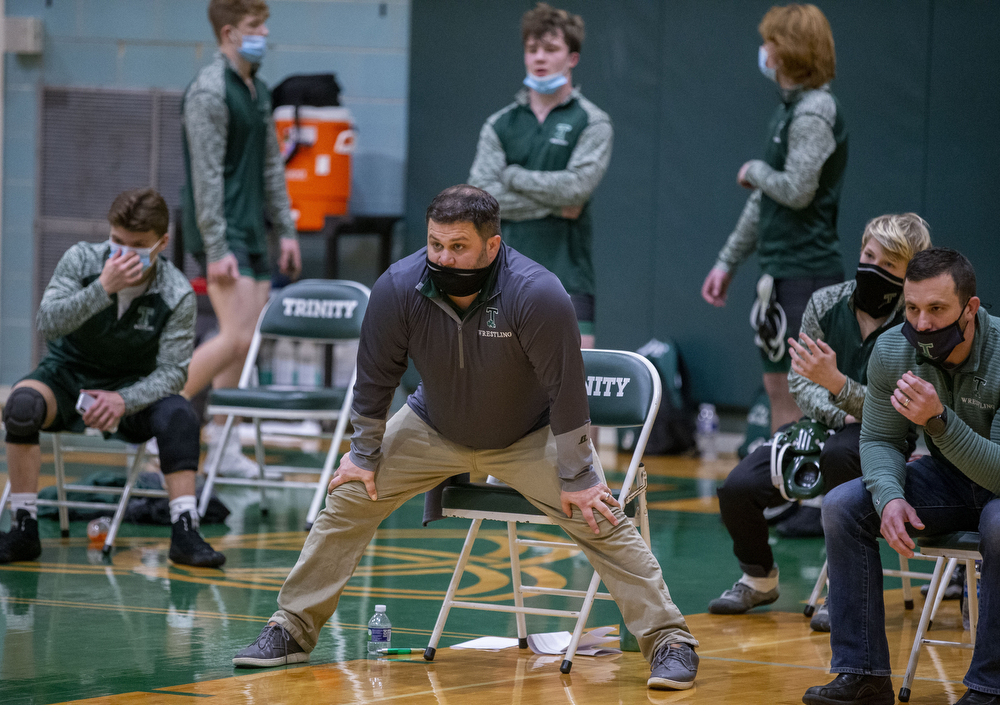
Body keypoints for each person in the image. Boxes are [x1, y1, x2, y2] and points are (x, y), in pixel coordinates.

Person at [232, 185, 699, 690]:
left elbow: (567, 391)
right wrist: (363, 456)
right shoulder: (398, 288)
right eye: (436, 244)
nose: (443, 257)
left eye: (458, 247)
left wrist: (580, 476)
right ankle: (291, 628)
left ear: (492, 246)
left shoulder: (536, 293)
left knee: (599, 514)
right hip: (433, 426)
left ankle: (669, 640)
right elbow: (373, 381)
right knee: (348, 495)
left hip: (526, 434)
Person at [710, 214, 930, 628]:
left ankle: (845, 591)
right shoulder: (826, 302)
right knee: (737, 489)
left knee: (839, 455)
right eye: (869, 256)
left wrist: (838, 384)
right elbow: (800, 379)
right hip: (822, 425)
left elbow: (897, 408)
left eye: (888, 266)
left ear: (908, 274)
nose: (872, 269)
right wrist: (840, 408)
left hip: (886, 440)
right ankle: (758, 577)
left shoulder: (914, 325)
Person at [803, 248, 999, 705]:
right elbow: (879, 441)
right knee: (843, 506)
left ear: (970, 309)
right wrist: (889, 497)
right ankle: (863, 675)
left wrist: (938, 422)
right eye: (912, 309)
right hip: (950, 479)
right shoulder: (895, 350)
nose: (923, 324)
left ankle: (990, 686)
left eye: (937, 309)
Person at [0, 189, 224, 568]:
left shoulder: (176, 291)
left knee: (181, 414)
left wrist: (124, 400)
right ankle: (23, 527)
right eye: (117, 241)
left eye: (137, 246)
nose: (123, 252)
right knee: (21, 406)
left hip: (132, 387)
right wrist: (102, 289)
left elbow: (173, 372)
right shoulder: (81, 260)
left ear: (162, 243)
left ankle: (185, 530)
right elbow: (47, 324)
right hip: (67, 376)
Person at [701, 3, 847, 432]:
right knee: (778, 387)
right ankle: (786, 491)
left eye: (769, 41)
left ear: (786, 49)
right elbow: (766, 202)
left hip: (809, 274)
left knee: (805, 392)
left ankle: (810, 496)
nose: (762, 50)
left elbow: (797, 190)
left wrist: (754, 171)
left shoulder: (816, 110)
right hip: (777, 274)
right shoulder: (788, 110)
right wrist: (727, 262)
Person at [181, 0, 302, 476]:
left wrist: (286, 231)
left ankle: (223, 444)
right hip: (221, 229)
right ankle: (158, 418)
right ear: (229, 33)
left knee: (246, 340)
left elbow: (273, 165)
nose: (264, 33)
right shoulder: (209, 92)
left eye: (265, 25)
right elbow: (205, 175)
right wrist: (215, 246)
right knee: (234, 338)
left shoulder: (258, 89)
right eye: (255, 27)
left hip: (252, 228)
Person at [468, 2, 612, 349]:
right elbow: (480, 201)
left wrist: (514, 176)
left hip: (568, 275)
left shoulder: (592, 121)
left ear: (572, 58)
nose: (539, 58)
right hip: (502, 276)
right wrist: (553, 205)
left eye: (551, 49)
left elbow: (575, 190)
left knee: (571, 388)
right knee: (501, 390)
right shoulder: (499, 124)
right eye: (532, 49)